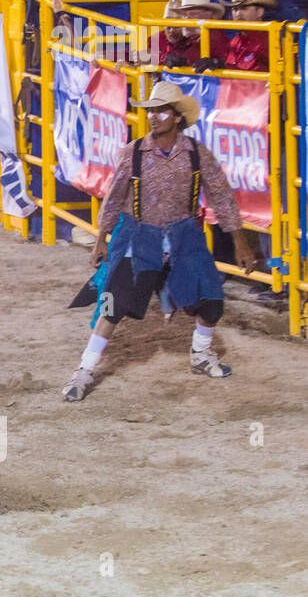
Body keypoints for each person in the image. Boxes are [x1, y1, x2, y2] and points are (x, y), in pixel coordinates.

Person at [64, 82, 259, 400]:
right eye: (151, 111)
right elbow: (114, 199)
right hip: (141, 237)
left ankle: (201, 353)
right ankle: (84, 370)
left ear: (177, 117)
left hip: (183, 236)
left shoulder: (197, 153)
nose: (154, 117)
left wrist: (240, 241)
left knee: (210, 300)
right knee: (112, 305)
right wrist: (102, 238)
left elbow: (222, 197)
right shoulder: (134, 153)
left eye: (161, 110)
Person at [218, 0, 279, 73]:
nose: (238, 14)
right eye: (235, 9)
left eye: (244, 8)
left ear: (259, 12)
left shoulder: (270, 41)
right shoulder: (235, 41)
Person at [165, 0, 228, 67]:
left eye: (193, 14)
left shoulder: (214, 37)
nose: (187, 19)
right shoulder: (191, 37)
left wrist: (185, 61)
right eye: (184, 15)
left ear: (209, 14)